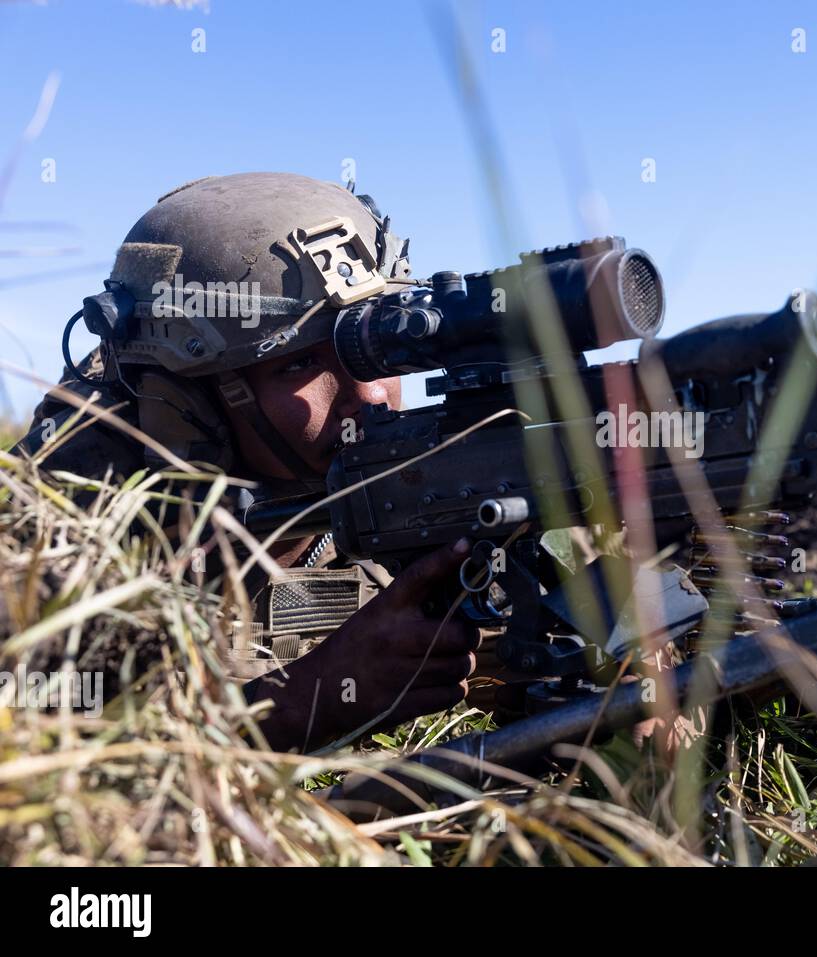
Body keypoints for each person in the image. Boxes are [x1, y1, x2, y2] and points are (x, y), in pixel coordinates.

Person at [19, 172, 481, 753]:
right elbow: (36, 766)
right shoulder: (54, 539)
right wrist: (304, 703)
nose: (369, 395)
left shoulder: (430, 483)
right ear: (188, 402)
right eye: (299, 364)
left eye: (379, 348)